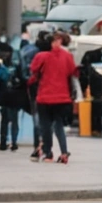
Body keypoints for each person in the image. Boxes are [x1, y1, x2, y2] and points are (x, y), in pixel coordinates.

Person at [28, 31, 79, 164]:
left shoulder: (41, 56)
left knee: (45, 126)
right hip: (62, 98)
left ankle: (48, 153)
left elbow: (33, 70)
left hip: (45, 97)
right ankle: (64, 152)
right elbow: (73, 72)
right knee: (59, 126)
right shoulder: (68, 56)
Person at [0, 40, 24, 151]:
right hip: (12, 95)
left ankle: (6, 142)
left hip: (7, 95)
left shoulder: (2, 66)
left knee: (6, 120)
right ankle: (12, 142)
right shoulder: (14, 65)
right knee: (12, 120)